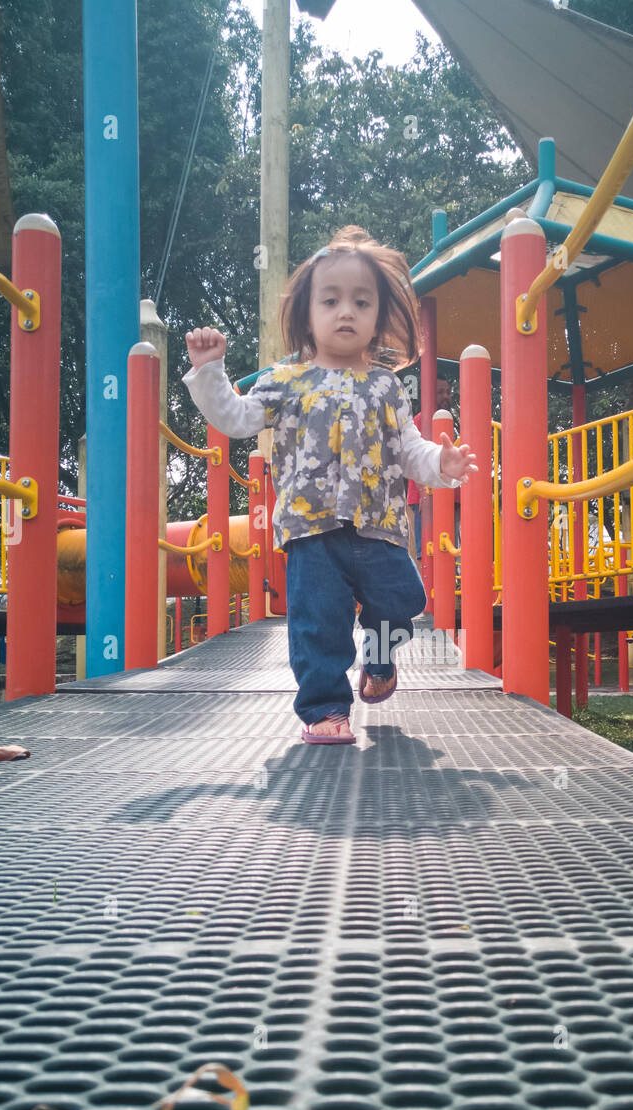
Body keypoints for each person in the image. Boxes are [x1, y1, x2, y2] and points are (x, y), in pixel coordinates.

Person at [182, 224, 478, 745]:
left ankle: (379, 656)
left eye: (361, 303)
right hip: (310, 528)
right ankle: (324, 709)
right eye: (332, 300)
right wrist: (210, 372)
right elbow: (237, 417)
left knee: (406, 597)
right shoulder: (286, 380)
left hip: (379, 529)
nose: (346, 312)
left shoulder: (387, 387)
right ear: (308, 313)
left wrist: (442, 464)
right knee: (318, 622)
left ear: (379, 318)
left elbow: (410, 448)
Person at [410, 376, 456, 563]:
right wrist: (423, 493)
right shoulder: (421, 419)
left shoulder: (451, 423)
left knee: (449, 549)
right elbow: (415, 456)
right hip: (427, 495)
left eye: (448, 392)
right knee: (428, 551)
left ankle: (449, 590)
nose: (446, 396)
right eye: (440, 392)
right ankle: (428, 591)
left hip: (448, 495)